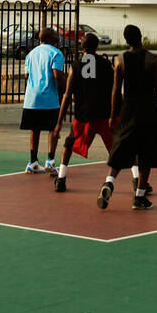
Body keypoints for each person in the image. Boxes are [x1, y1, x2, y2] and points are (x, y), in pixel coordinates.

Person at [97, 24, 157, 211]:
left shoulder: (120, 60)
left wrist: (113, 114)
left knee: (121, 148)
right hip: (149, 109)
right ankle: (139, 197)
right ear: (142, 37)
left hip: (128, 109)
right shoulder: (153, 60)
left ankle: (109, 182)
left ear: (126, 41)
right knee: (146, 153)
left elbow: (115, 90)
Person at [50, 33, 114, 193]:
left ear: (82, 46)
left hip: (83, 114)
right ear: (97, 46)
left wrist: (59, 122)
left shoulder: (76, 66)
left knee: (69, 144)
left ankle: (62, 178)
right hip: (105, 113)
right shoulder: (106, 65)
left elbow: (67, 95)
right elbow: (115, 91)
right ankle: (136, 182)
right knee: (118, 148)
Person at [21, 26, 66, 174]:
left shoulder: (30, 54)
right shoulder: (56, 53)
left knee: (35, 129)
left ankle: (32, 161)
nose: (58, 36)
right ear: (50, 38)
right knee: (53, 128)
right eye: (55, 34)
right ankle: (50, 161)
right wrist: (64, 90)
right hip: (49, 97)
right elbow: (57, 75)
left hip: (32, 98)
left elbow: (27, 76)